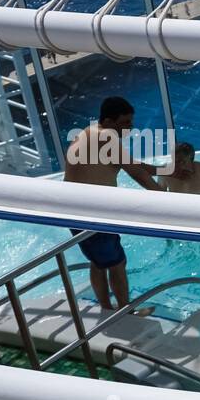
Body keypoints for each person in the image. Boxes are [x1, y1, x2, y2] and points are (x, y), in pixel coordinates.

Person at [63, 96, 164, 314]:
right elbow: (135, 172)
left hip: (74, 209)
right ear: (109, 121)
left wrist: (163, 170)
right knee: (117, 263)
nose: (130, 128)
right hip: (92, 213)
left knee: (98, 262)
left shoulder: (88, 132)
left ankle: (107, 308)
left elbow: (130, 164)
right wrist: (165, 198)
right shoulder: (106, 138)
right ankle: (125, 312)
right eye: (125, 122)